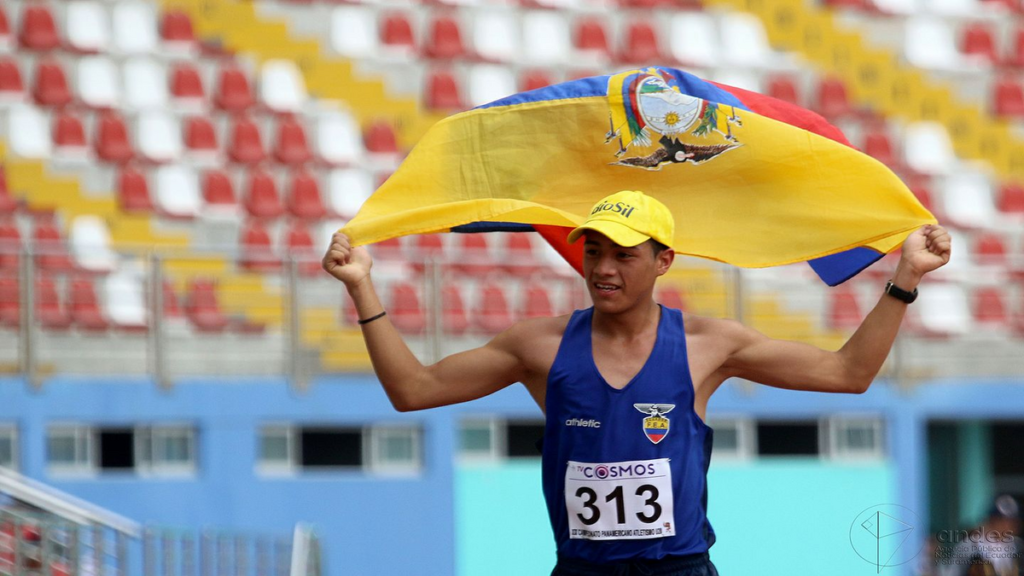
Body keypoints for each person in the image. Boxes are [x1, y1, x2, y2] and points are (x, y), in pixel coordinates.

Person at [322, 190, 952, 575]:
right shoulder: (538, 346)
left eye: (623, 255)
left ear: (663, 261)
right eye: (593, 251)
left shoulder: (709, 345)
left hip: (676, 569)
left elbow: (848, 374)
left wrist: (905, 278)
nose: (603, 268)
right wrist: (362, 287)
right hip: (581, 570)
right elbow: (414, 390)